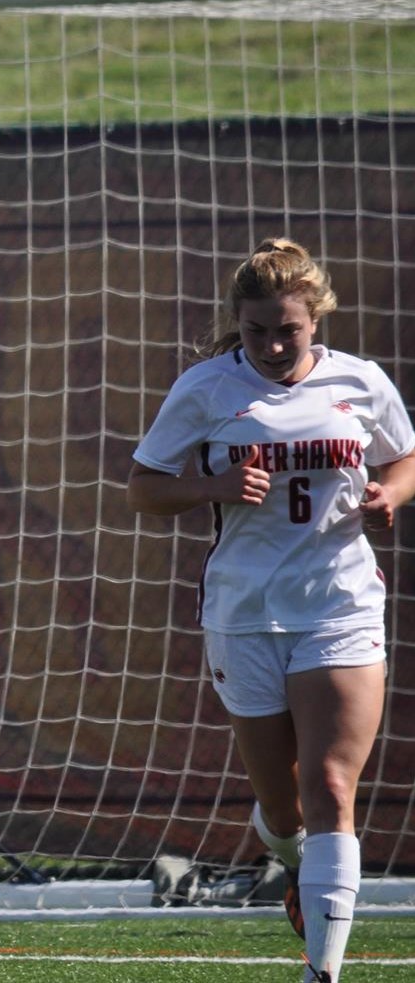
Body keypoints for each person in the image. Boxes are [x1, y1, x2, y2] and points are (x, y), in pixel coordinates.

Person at [128, 238, 415, 983]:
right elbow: (144, 486)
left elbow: (404, 457)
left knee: (331, 788)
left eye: (287, 329)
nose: (272, 345)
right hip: (245, 614)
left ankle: (322, 972)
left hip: (339, 606)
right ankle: (289, 861)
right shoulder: (205, 387)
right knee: (283, 810)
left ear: (315, 318)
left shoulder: (360, 381)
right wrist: (212, 487)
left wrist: (389, 494)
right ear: (238, 323)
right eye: (256, 330)